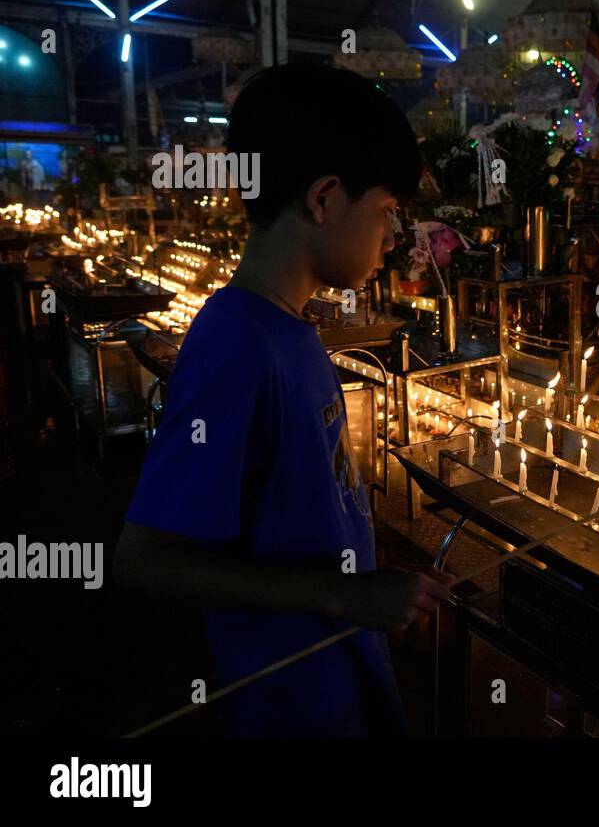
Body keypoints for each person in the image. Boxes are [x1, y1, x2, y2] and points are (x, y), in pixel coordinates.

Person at [115, 64, 451, 736]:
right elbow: (144, 559)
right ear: (324, 198)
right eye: (386, 211)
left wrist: (364, 584)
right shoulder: (236, 344)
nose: (393, 238)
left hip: (341, 678)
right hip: (290, 709)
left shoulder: (291, 327)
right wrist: (343, 593)